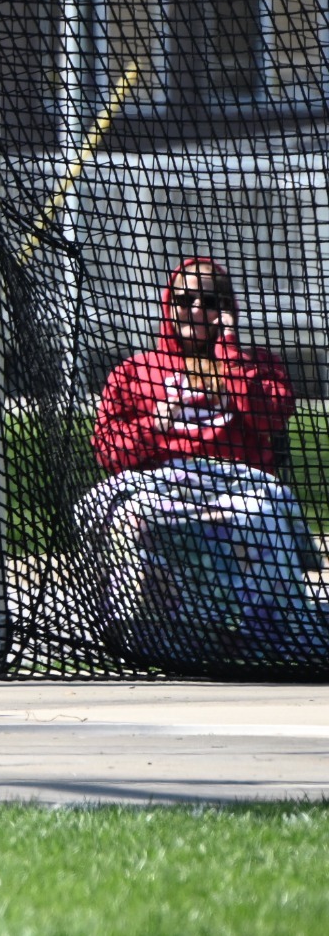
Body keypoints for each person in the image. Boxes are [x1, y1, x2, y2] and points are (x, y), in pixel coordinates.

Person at [76, 256, 321, 667]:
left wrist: (228, 352)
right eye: (185, 298)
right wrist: (155, 423)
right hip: (159, 483)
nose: (195, 310)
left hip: (237, 482)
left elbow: (268, 418)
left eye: (209, 300)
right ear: (169, 304)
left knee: (261, 515)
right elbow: (109, 453)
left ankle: (261, 637)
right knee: (129, 517)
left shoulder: (259, 365)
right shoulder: (134, 372)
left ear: (226, 309)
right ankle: (138, 632)